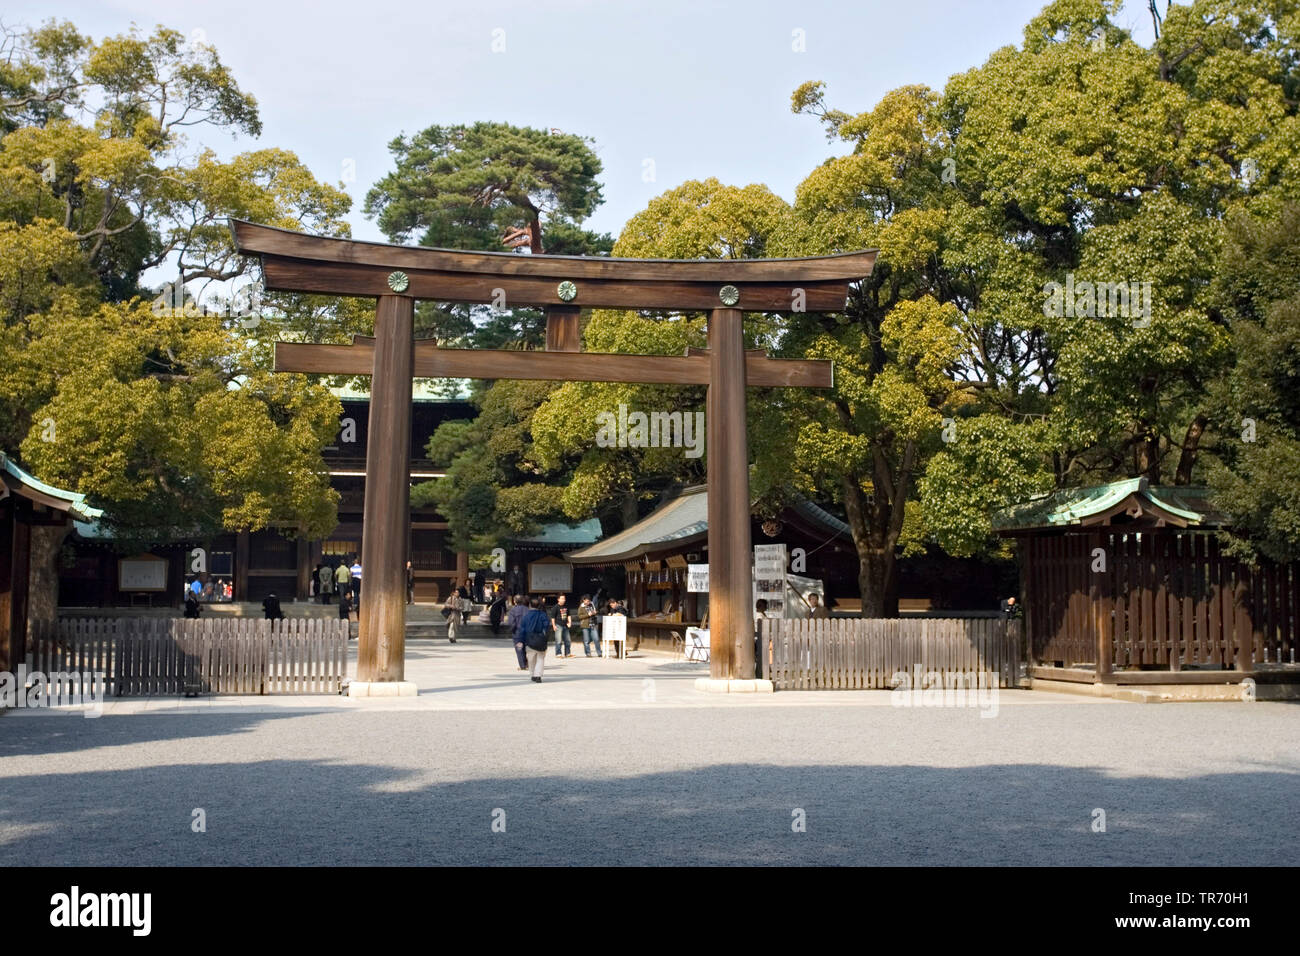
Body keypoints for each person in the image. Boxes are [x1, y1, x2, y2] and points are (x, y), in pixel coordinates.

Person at [521, 596, 553, 683]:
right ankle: (538, 675)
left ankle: (532, 674)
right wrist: (545, 635)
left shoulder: (526, 616)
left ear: (530, 605)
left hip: (529, 639)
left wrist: (521, 640)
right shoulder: (543, 614)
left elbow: (522, 629)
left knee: (531, 659)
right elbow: (547, 625)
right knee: (540, 658)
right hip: (540, 639)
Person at [506, 594, 529, 670]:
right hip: (527, 633)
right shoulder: (527, 609)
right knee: (526, 648)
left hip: (518, 633)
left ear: (514, 601)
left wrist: (512, 630)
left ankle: (522, 665)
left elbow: (511, 623)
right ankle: (526, 663)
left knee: (519, 649)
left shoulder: (513, 610)